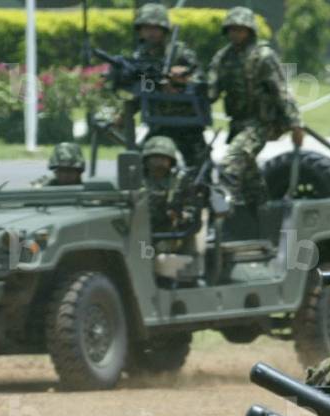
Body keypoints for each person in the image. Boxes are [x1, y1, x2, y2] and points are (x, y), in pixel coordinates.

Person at [207, 6, 304, 210]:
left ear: (249, 31)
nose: (235, 34)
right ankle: (263, 213)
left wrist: (295, 124)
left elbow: (281, 90)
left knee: (230, 163)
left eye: (240, 29)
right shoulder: (223, 58)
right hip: (238, 125)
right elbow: (210, 92)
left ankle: (221, 212)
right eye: (232, 29)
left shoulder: (263, 56)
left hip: (261, 123)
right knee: (249, 178)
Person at [130, 3, 207, 170]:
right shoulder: (140, 57)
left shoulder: (180, 52)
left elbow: (201, 82)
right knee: (143, 166)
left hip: (188, 124)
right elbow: (144, 88)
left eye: (155, 28)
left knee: (200, 171)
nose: (151, 33)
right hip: (159, 124)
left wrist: (182, 81)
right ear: (140, 31)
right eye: (146, 28)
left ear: (164, 30)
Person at [142, 136, 199, 257]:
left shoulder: (179, 183)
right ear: (146, 160)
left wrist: (180, 216)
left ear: (170, 161)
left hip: (166, 234)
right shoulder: (137, 180)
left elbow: (191, 211)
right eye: (155, 157)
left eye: (163, 158)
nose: (159, 162)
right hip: (139, 231)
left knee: (148, 253)